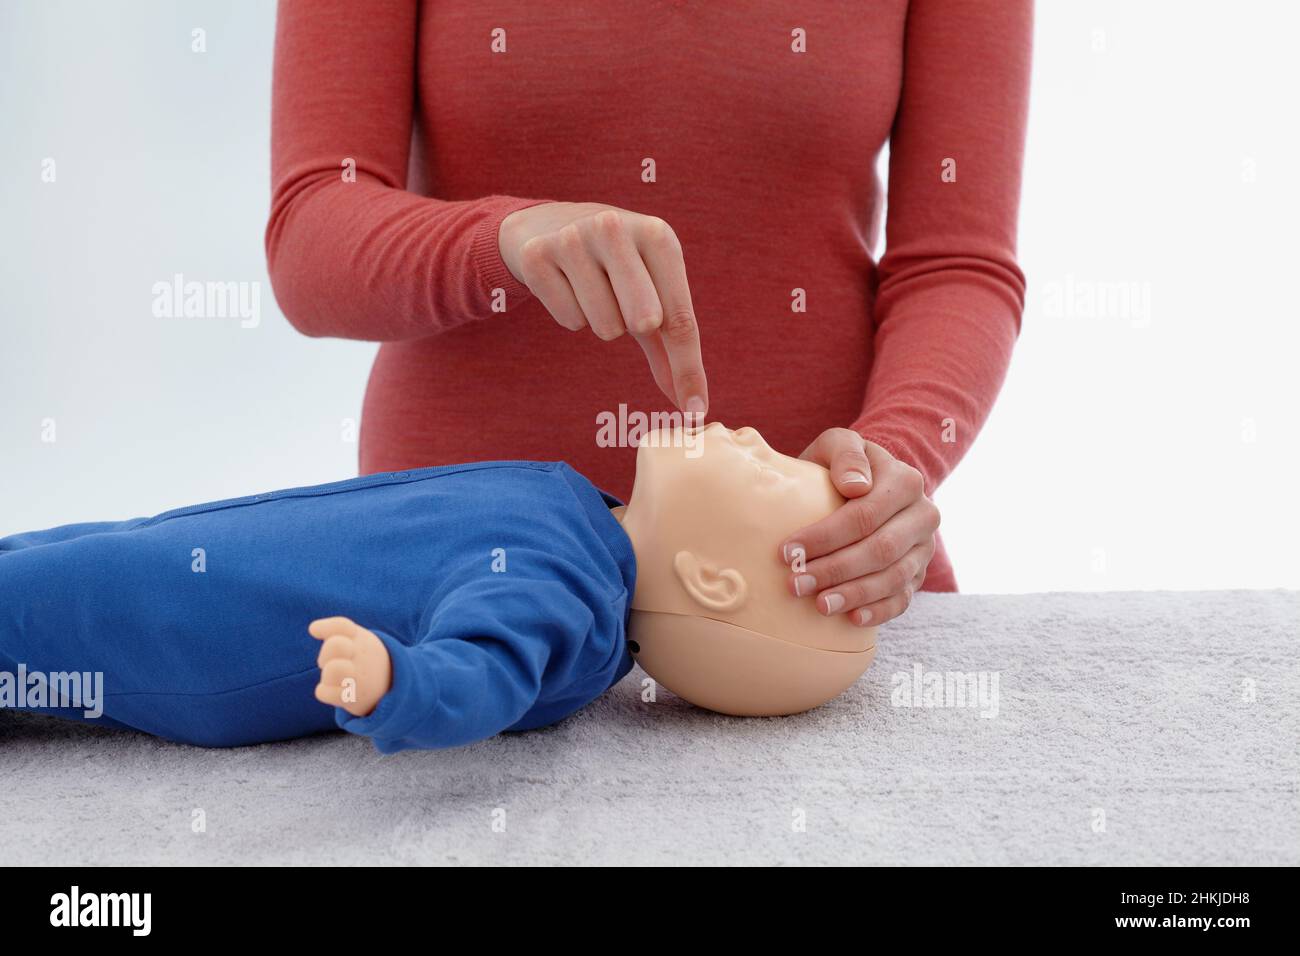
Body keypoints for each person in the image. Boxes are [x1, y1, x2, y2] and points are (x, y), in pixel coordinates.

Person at [265, 0, 1031, 626]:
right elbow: (309, 236)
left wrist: (890, 467)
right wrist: (501, 239)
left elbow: (955, 263)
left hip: (815, 589)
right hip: (461, 585)